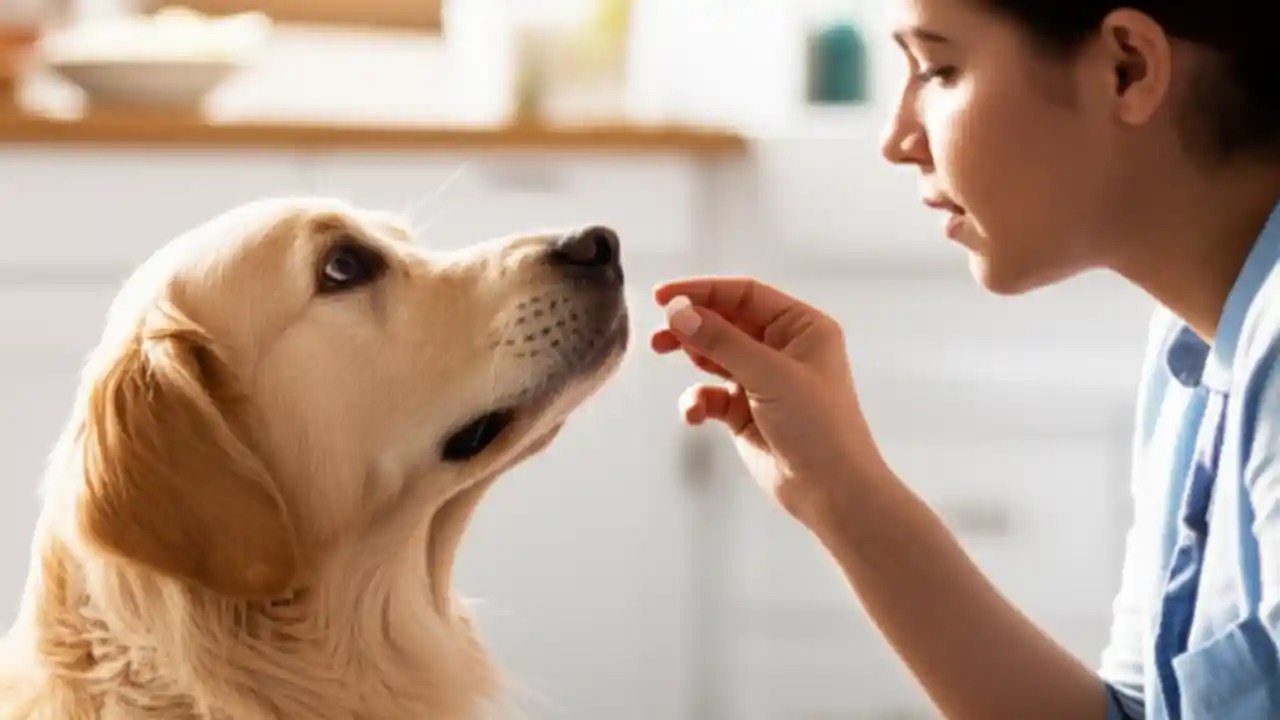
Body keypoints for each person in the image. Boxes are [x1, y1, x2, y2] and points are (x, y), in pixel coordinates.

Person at [649, 1, 1280, 719]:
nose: (897, 140)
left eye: (939, 70)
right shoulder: (1190, 353)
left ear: (1125, 69)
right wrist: (836, 488)